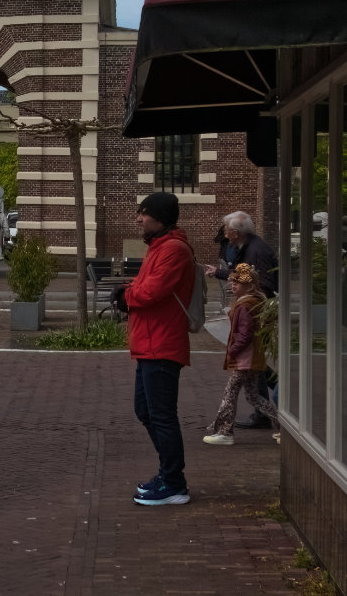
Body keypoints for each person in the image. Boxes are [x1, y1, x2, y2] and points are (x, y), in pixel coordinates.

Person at [117, 191, 196, 507]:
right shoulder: (160, 247)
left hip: (162, 343)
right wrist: (129, 291)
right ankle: (169, 476)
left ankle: (174, 483)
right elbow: (141, 285)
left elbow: (151, 291)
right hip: (151, 343)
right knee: (146, 410)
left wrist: (126, 296)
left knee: (161, 415)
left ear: (159, 216)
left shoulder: (173, 249)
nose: (138, 217)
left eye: (144, 212)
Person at [205, 210, 278, 428]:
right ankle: (268, 413)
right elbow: (243, 277)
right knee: (255, 369)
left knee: (242, 379)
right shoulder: (249, 247)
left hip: (256, 316)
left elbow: (263, 283)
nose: (225, 234)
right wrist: (219, 273)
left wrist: (246, 304)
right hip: (255, 314)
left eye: (227, 230)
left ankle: (224, 428)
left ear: (236, 232)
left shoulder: (256, 252)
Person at [203, 263, 280, 445]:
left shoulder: (244, 306)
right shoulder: (256, 301)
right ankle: (285, 426)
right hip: (253, 355)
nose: (232, 286)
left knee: (230, 393)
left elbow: (245, 335)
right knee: (253, 396)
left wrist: (233, 350)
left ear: (248, 285)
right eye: (232, 282)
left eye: (236, 283)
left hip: (245, 357)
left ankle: (225, 431)